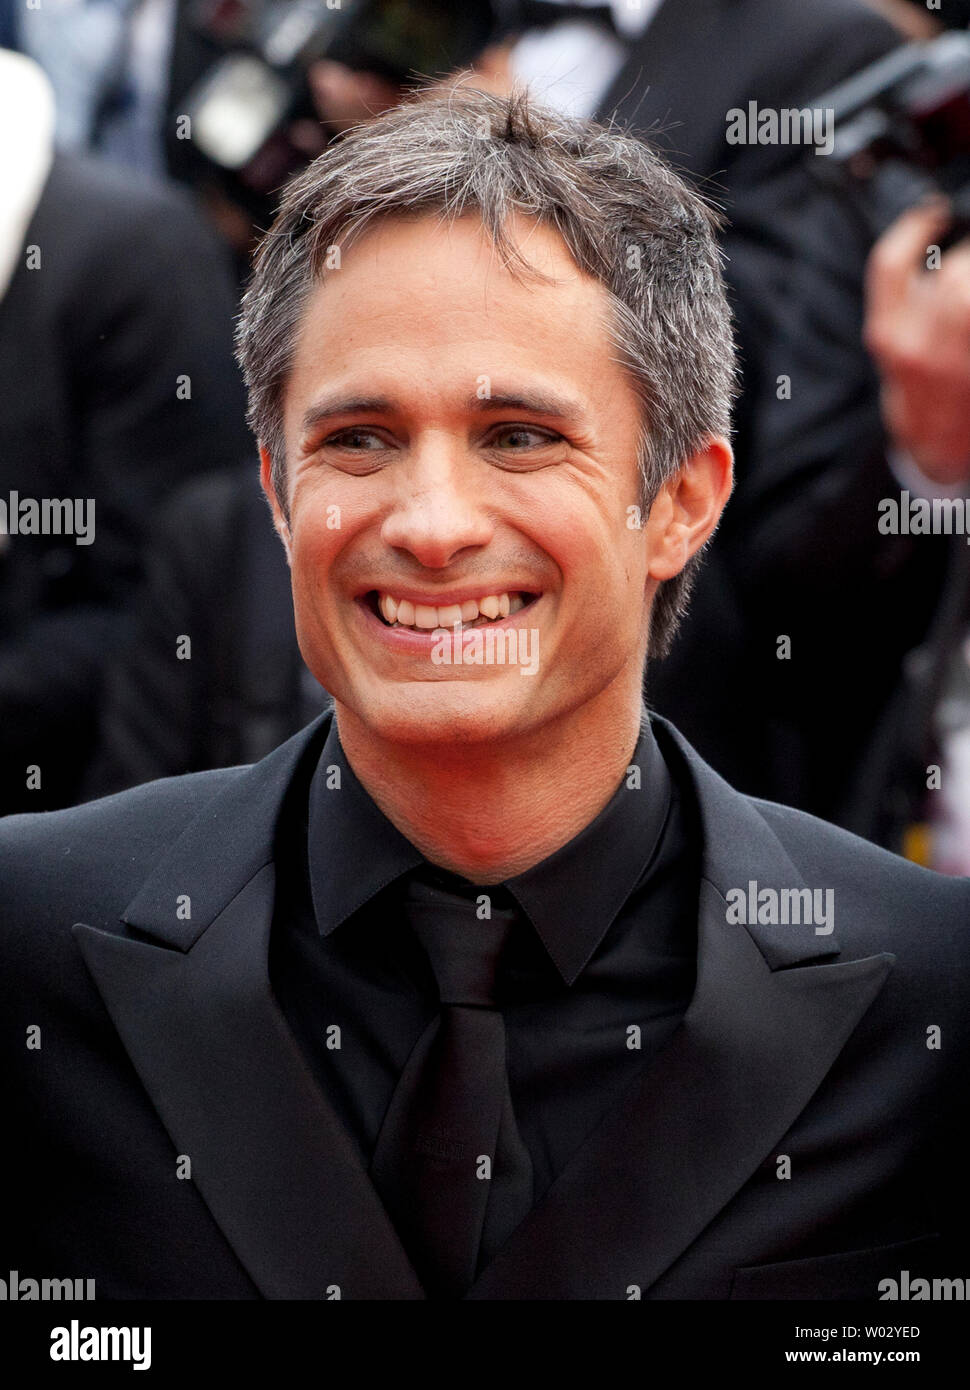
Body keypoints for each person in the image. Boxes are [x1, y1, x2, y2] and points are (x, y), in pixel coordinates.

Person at [2, 89, 966, 1300]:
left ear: (681, 502)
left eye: (517, 436)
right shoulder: (29, 941)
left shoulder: (932, 1002)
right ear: (276, 488)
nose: (433, 524)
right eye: (358, 437)